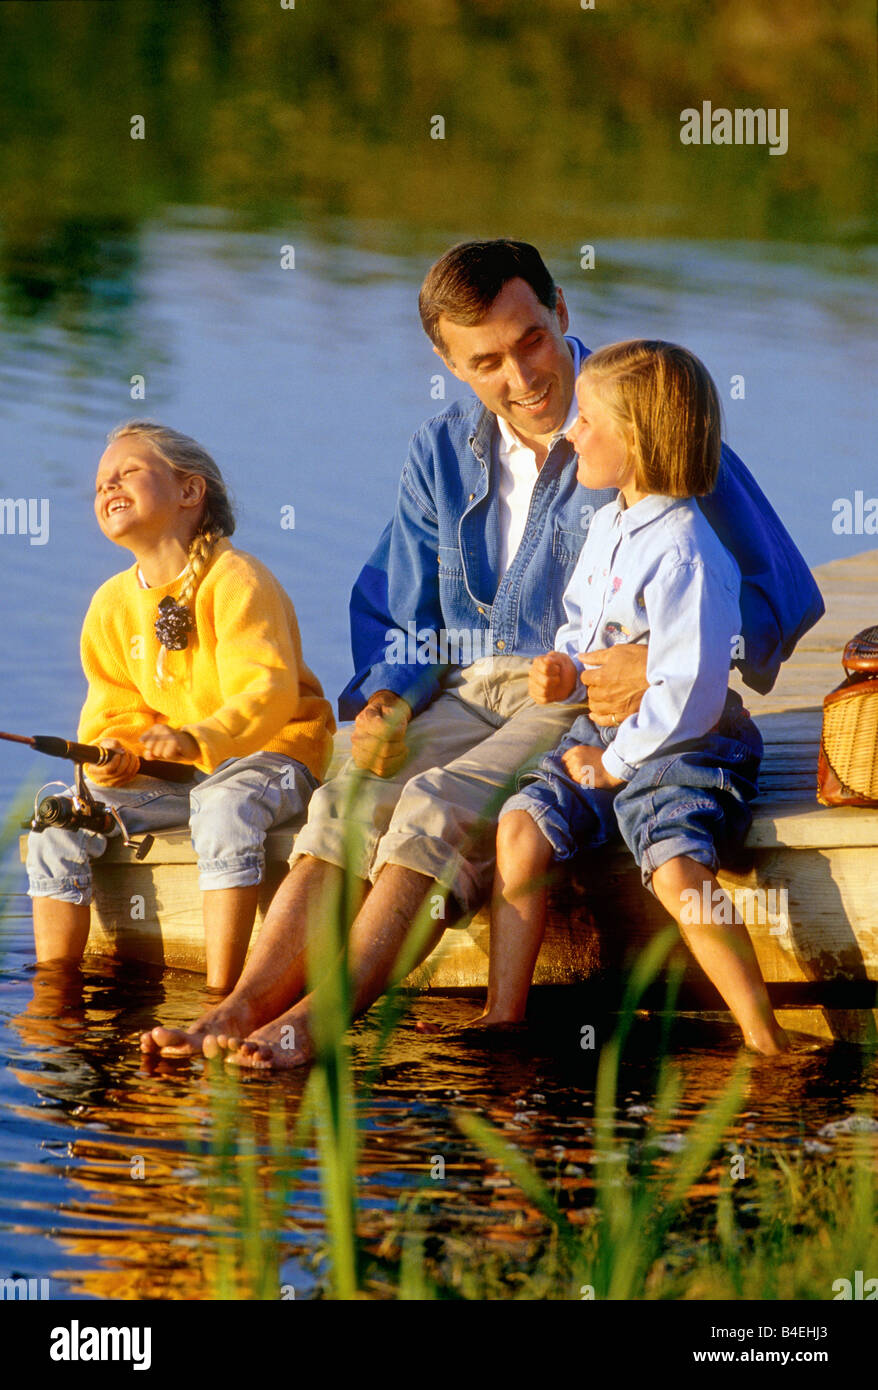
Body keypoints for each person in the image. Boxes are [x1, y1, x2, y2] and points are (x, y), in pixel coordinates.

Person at [141, 239, 821, 1069]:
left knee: (436, 803)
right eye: (487, 361)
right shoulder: (439, 451)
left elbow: (782, 594)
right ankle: (236, 1009)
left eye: (530, 339)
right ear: (448, 361)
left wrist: (658, 658)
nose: (523, 377)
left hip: (578, 695)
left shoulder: (637, 416)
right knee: (346, 798)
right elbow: (405, 612)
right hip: (466, 688)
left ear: (560, 311)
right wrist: (389, 695)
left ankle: (316, 1026)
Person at [461, 340, 789, 1054]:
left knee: (674, 862)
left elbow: (693, 689)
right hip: (612, 734)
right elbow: (588, 633)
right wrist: (565, 671)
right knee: (518, 826)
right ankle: (502, 1014)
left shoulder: (685, 551)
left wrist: (617, 766)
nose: (571, 431)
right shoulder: (610, 522)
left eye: (586, 419)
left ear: (635, 439)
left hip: (691, 743)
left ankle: (763, 1037)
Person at [27, 421, 335, 992]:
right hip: (179, 776)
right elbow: (114, 715)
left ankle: (224, 992)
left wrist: (200, 739)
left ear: (190, 492)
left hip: (273, 753)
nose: (107, 489)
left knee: (222, 804)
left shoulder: (236, 579)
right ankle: (55, 991)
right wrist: (115, 754)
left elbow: (267, 691)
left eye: (127, 473)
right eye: (99, 485)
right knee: (59, 823)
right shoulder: (110, 605)